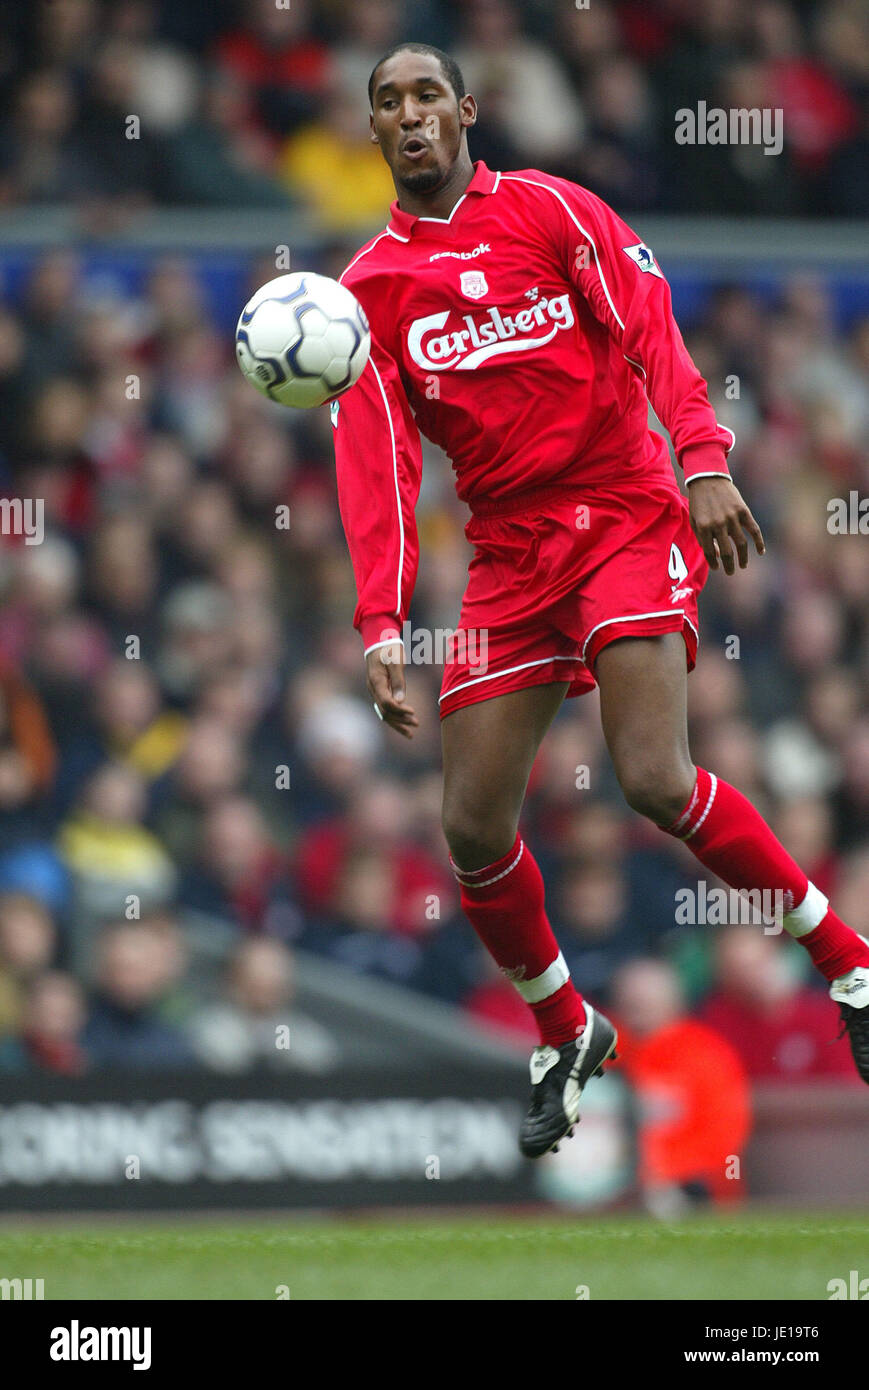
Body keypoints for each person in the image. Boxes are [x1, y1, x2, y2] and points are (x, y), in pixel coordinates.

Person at [332, 43, 869, 1159]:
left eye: (427, 94)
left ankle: (845, 962)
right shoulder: (366, 294)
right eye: (388, 103)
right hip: (507, 555)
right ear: (374, 132)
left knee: (653, 778)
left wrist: (703, 458)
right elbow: (377, 466)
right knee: (470, 827)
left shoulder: (548, 210)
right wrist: (381, 621)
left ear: (467, 110)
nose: (410, 115)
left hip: (621, 507)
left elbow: (649, 325)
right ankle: (564, 1029)